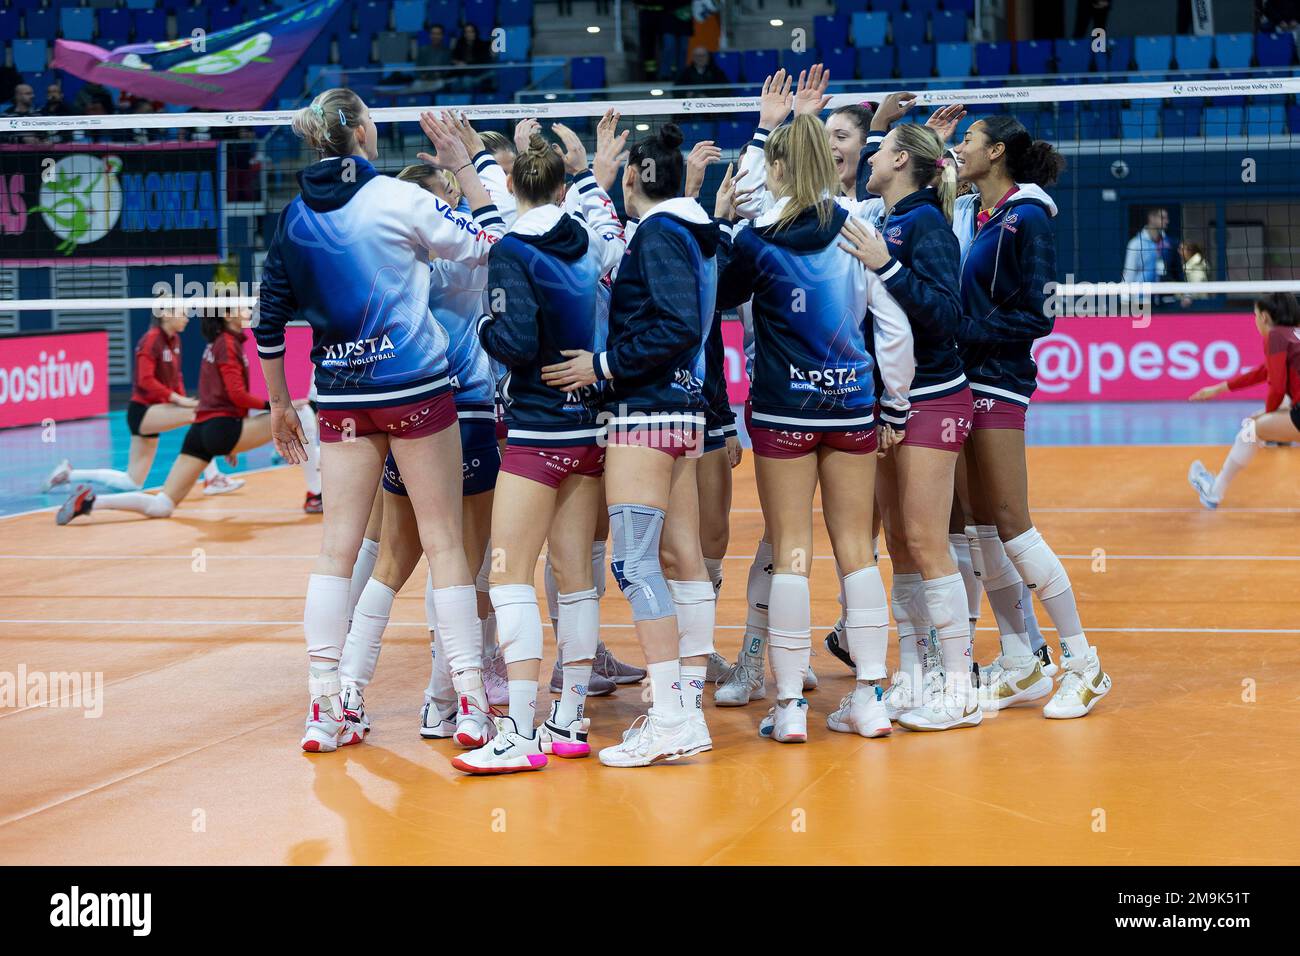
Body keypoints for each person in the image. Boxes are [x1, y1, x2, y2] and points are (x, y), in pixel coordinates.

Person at [251, 89, 506, 754]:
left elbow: (268, 321)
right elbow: (492, 248)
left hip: (339, 401)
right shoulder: (401, 199)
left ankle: (325, 709)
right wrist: (469, 170)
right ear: (364, 132)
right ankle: (474, 708)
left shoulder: (295, 221)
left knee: (337, 548)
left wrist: (280, 403)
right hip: (417, 390)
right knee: (445, 541)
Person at [716, 114, 914, 744]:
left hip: (783, 413)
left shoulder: (755, 240)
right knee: (857, 552)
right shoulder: (860, 227)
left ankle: (791, 708)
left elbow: (713, 297)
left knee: (792, 553)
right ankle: (871, 698)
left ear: (775, 168)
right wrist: (897, 405)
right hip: (853, 406)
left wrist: (723, 223)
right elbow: (893, 325)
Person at [452, 116, 628, 775]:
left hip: (535, 430)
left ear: (517, 191)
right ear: (560, 186)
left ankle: (520, 733)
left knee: (508, 573)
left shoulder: (509, 249)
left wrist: (487, 327)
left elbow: (518, 343)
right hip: (593, 427)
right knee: (576, 577)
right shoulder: (586, 236)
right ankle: (569, 720)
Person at [541, 124, 720, 768]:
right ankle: (686, 707)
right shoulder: (693, 229)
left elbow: (672, 324)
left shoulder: (663, 234)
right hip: (682, 409)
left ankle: (672, 715)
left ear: (641, 173)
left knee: (636, 565)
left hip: (645, 412)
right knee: (681, 557)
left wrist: (605, 365)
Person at [951, 114, 1112, 720]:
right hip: (969, 377)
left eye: (967, 139)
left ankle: (1084, 664)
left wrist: (966, 330)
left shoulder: (1030, 216)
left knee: (1013, 521)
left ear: (995, 152)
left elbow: (1042, 315)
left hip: (1001, 381)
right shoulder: (980, 214)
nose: (957, 147)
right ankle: (1021, 660)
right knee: (979, 524)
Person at [838, 119, 979, 733]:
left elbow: (948, 316)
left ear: (901, 160)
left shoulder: (923, 226)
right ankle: (917, 674)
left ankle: (959, 684)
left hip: (934, 399)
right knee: (897, 544)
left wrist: (888, 266)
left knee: (926, 542)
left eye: (879, 148)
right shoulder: (888, 220)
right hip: (887, 402)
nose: (868, 156)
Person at [56, 307, 302, 525]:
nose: (248, 308)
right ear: (228, 315)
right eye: (242, 305)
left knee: (159, 504)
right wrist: (275, 407)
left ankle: (90, 501)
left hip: (203, 432)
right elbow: (235, 395)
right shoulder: (224, 344)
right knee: (300, 415)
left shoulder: (210, 343)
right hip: (192, 421)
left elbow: (214, 394)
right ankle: (316, 494)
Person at [44, 306, 246, 497]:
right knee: (199, 414)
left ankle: (69, 474)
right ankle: (212, 479)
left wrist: (183, 398)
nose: (186, 316)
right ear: (166, 314)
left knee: (131, 482)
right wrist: (178, 400)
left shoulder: (175, 340)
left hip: (158, 411)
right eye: (181, 312)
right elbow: (145, 380)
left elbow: (176, 380)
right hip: (142, 411)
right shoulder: (151, 340)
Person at [1188, 293, 1300, 508]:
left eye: (1255, 315)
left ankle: (1214, 491)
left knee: (1251, 429)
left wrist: (1267, 412)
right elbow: (1263, 371)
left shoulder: (1275, 337)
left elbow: (1276, 386)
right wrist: (1218, 389)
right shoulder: (1294, 335)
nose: (1255, 320)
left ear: (1264, 317)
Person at [1122, 207, 1181, 283]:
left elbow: (1177, 272)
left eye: (1167, 218)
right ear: (1151, 218)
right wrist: (1125, 293)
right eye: (1163, 218)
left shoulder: (1170, 243)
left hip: (1165, 292)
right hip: (1142, 292)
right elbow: (1129, 273)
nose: (1167, 221)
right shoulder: (1135, 244)